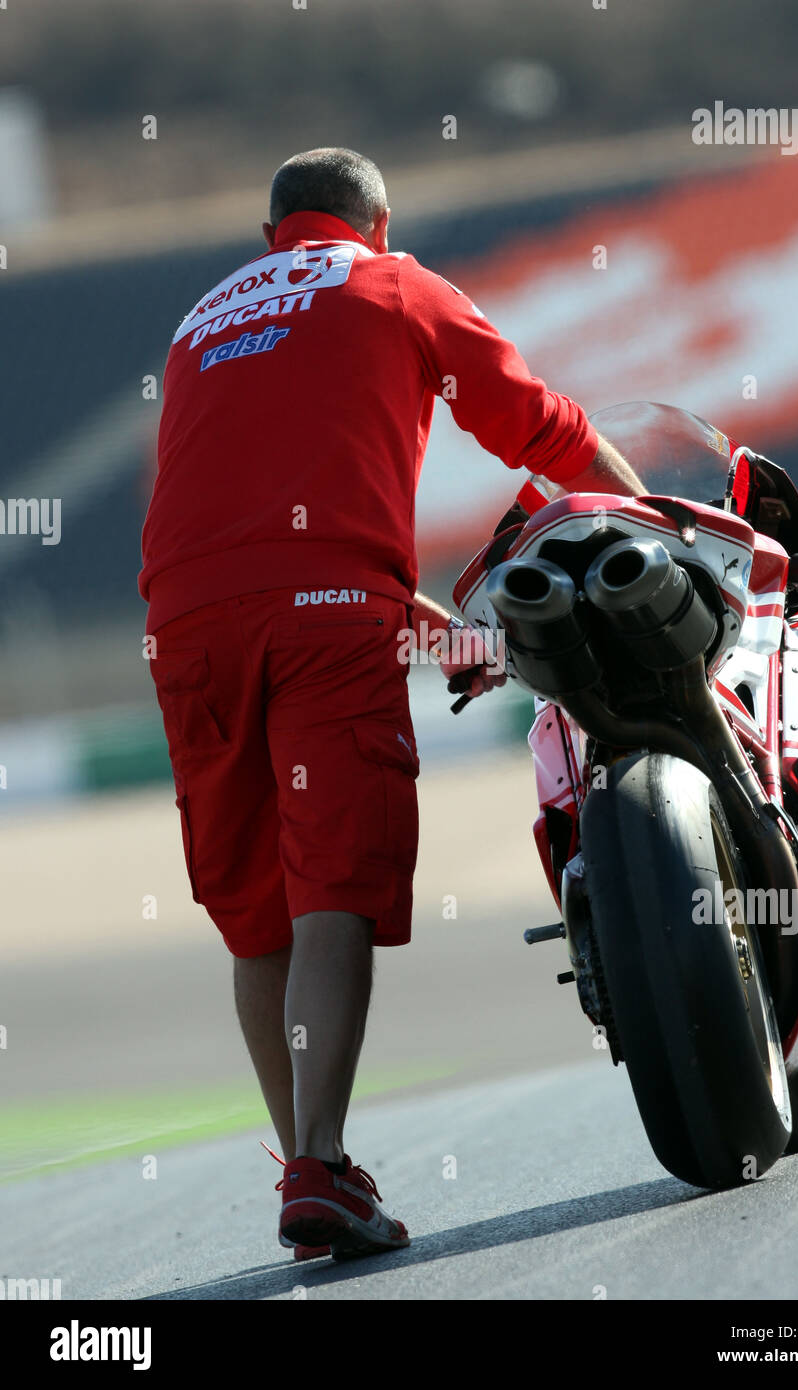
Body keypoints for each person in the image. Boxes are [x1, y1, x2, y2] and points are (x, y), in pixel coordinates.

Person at [138, 147, 643, 1263]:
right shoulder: (392, 282)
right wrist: (649, 522)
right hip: (321, 617)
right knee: (333, 881)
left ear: (272, 232)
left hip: (185, 624)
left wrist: (418, 625)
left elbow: (261, 544)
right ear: (376, 220)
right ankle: (321, 1159)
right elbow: (542, 428)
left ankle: (307, 1168)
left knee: (255, 906)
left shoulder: (198, 324)